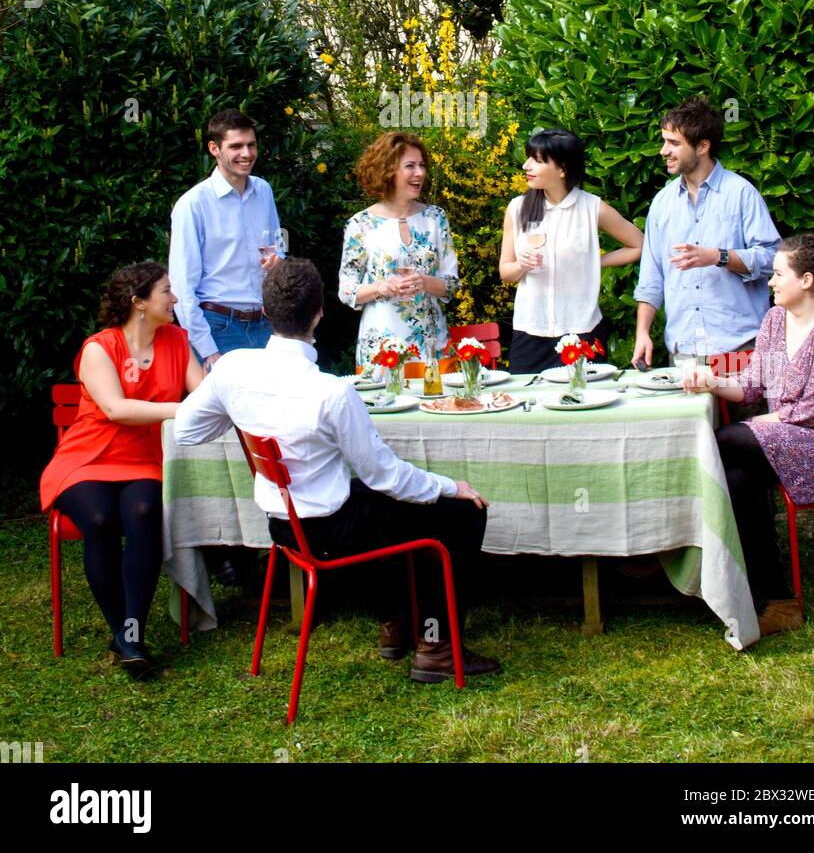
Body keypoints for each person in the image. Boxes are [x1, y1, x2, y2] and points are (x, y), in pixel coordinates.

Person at [174, 257, 499, 681]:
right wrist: (450, 486)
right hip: (328, 532)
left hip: (282, 526)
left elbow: (185, 429)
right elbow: (387, 475)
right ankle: (436, 647)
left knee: (381, 504)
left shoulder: (231, 369)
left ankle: (396, 622)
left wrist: (241, 412)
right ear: (320, 313)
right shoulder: (331, 392)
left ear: (266, 312)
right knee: (461, 512)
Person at [683, 234, 814, 637]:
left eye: (778, 274)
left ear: (807, 280)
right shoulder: (774, 320)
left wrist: (765, 423)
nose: (770, 281)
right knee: (734, 478)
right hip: (783, 439)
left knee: (723, 441)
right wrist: (711, 381)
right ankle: (778, 601)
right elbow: (751, 385)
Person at [40, 263, 203, 676]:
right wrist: (182, 409)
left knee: (145, 511)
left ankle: (131, 633)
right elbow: (115, 408)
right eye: (167, 291)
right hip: (87, 457)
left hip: (145, 457)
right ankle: (124, 633)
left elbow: (204, 396)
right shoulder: (99, 347)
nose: (175, 299)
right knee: (99, 517)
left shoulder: (178, 341)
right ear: (139, 303)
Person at [632, 98, 780, 370]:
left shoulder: (741, 194)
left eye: (674, 143)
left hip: (739, 350)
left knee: (743, 416)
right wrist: (642, 332)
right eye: (664, 142)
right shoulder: (662, 203)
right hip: (684, 353)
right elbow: (651, 277)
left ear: (702, 146)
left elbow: (772, 259)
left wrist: (717, 256)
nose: (664, 151)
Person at [498, 128, 644, 373]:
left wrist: (596, 262)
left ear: (562, 169)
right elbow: (505, 271)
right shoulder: (517, 208)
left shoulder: (592, 207)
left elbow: (638, 244)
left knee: (584, 406)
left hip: (581, 331)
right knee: (527, 407)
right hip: (530, 331)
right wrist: (521, 265)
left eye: (537, 160)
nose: (526, 165)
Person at [169, 108, 284, 371]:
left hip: (266, 326)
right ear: (214, 149)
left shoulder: (263, 190)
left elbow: (278, 248)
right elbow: (183, 288)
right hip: (218, 328)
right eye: (236, 146)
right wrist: (208, 351)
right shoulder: (192, 205)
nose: (246, 154)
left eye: (251, 145)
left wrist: (278, 261)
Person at [338, 132, 459, 367]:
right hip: (381, 350)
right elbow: (346, 290)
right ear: (388, 170)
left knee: (435, 404)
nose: (420, 173)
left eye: (422, 165)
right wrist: (381, 287)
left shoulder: (435, 218)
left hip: (432, 347)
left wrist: (424, 282)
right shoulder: (360, 224)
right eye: (410, 166)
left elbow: (452, 283)